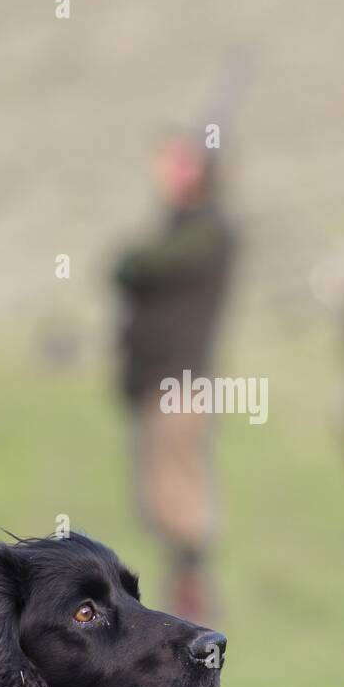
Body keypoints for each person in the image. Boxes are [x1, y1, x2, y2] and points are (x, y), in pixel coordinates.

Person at [113, 132, 235, 621]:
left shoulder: (208, 229)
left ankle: (192, 596)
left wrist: (136, 258)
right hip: (158, 378)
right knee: (159, 493)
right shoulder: (184, 225)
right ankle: (184, 591)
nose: (161, 172)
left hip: (180, 379)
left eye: (174, 163)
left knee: (178, 490)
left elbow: (144, 263)